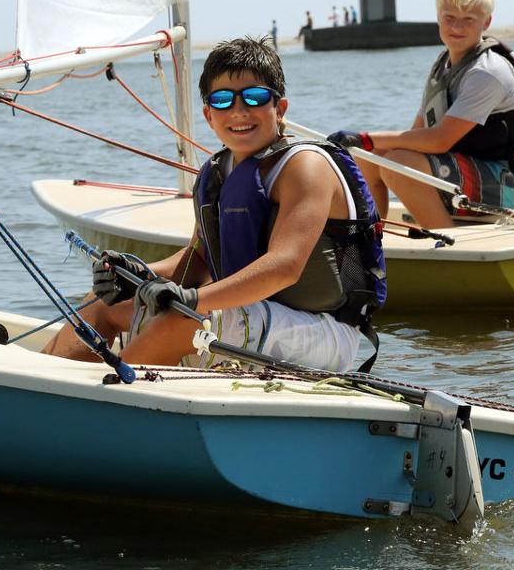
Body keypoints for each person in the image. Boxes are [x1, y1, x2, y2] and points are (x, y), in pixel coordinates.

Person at [43, 36, 386, 372]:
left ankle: (115, 403)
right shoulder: (216, 173)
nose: (239, 111)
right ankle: (46, 386)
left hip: (322, 331)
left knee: (181, 319)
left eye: (254, 97)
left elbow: (285, 266)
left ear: (279, 108)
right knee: (101, 306)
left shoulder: (304, 166)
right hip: (251, 313)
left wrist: (193, 300)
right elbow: (199, 257)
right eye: (223, 100)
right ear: (208, 114)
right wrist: (138, 273)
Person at [328, 0, 514, 229]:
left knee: (397, 164)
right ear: (438, 17)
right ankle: (372, 241)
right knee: (372, 157)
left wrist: (364, 137)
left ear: (486, 22)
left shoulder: (487, 72)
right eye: (449, 18)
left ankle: (450, 243)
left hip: (512, 185)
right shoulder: (441, 66)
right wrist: (366, 146)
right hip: (469, 170)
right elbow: (418, 134)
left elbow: (439, 140)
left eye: (468, 20)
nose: (456, 28)